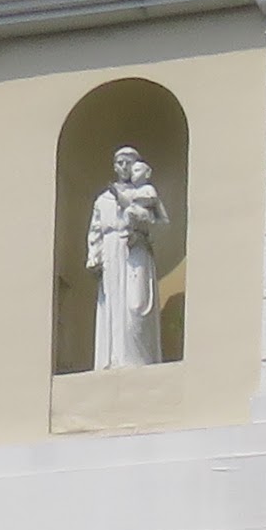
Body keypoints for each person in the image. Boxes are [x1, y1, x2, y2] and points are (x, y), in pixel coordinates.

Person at [86, 146, 168, 368]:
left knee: (136, 305)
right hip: (112, 252)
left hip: (136, 249)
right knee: (113, 303)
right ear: (114, 166)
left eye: (129, 163)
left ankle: (138, 359)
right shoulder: (103, 200)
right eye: (120, 162)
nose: (124, 167)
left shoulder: (147, 194)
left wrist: (142, 226)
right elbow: (95, 231)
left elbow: (161, 223)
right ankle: (115, 358)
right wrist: (94, 255)